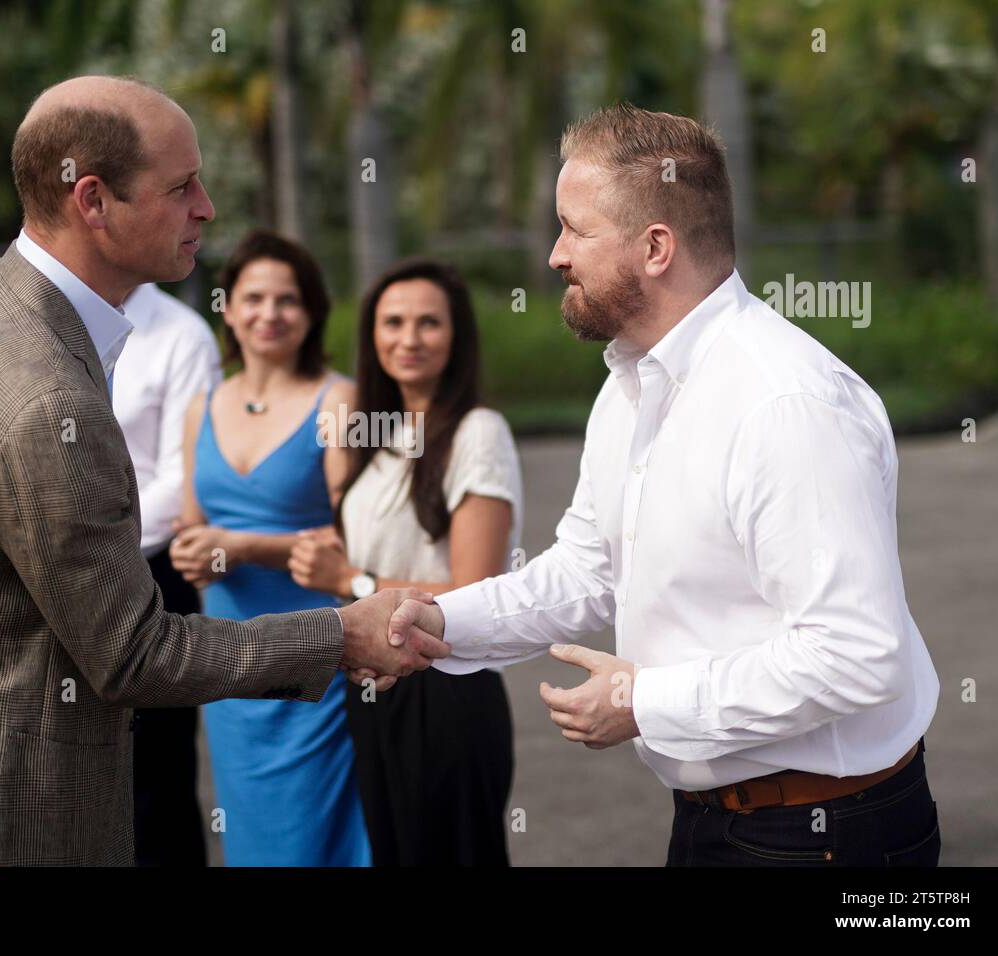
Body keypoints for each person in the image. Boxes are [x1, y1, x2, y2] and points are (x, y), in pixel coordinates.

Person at [0, 76, 447, 867]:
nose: (206, 207)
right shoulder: (47, 402)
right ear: (93, 201)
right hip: (15, 816)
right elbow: (133, 655)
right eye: (181, 187)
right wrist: (338, 633)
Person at [390, 102, 941, 867]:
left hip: (823, 835)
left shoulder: (785, 404)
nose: (554, 255)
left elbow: (856, 654)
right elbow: (588, 569)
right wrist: (435, 622)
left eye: (575, 229)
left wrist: (643, 702)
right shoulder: (629, 384)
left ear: (655, 247)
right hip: (715, 821)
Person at [288, 259, 521, 865]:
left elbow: (476, 589)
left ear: (457, 335)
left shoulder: (478, 432)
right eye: (392, 322)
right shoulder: (373, 435)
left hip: (446, 692)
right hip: (373, 685)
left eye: (428, 323)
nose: (408, 338)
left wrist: (353, 582)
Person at [171, 229, 370, 866]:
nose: (269, 313)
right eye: (253, 298)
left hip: (315, 655)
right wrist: (193, 550)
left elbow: (355, 539)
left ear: (310, 312)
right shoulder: (201, 405)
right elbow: (191, 526)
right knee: (252, 837)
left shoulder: (338, 400)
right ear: (228, 308)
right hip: (228, 660)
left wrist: (246, 546)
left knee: (317, 835)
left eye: (287, 300)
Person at [112, 281, 221, 866]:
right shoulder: (41, 319)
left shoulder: (182, 335)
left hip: (152, 575)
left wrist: (88, 546)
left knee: (155, 775)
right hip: (46, 576)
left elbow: (183, 479)